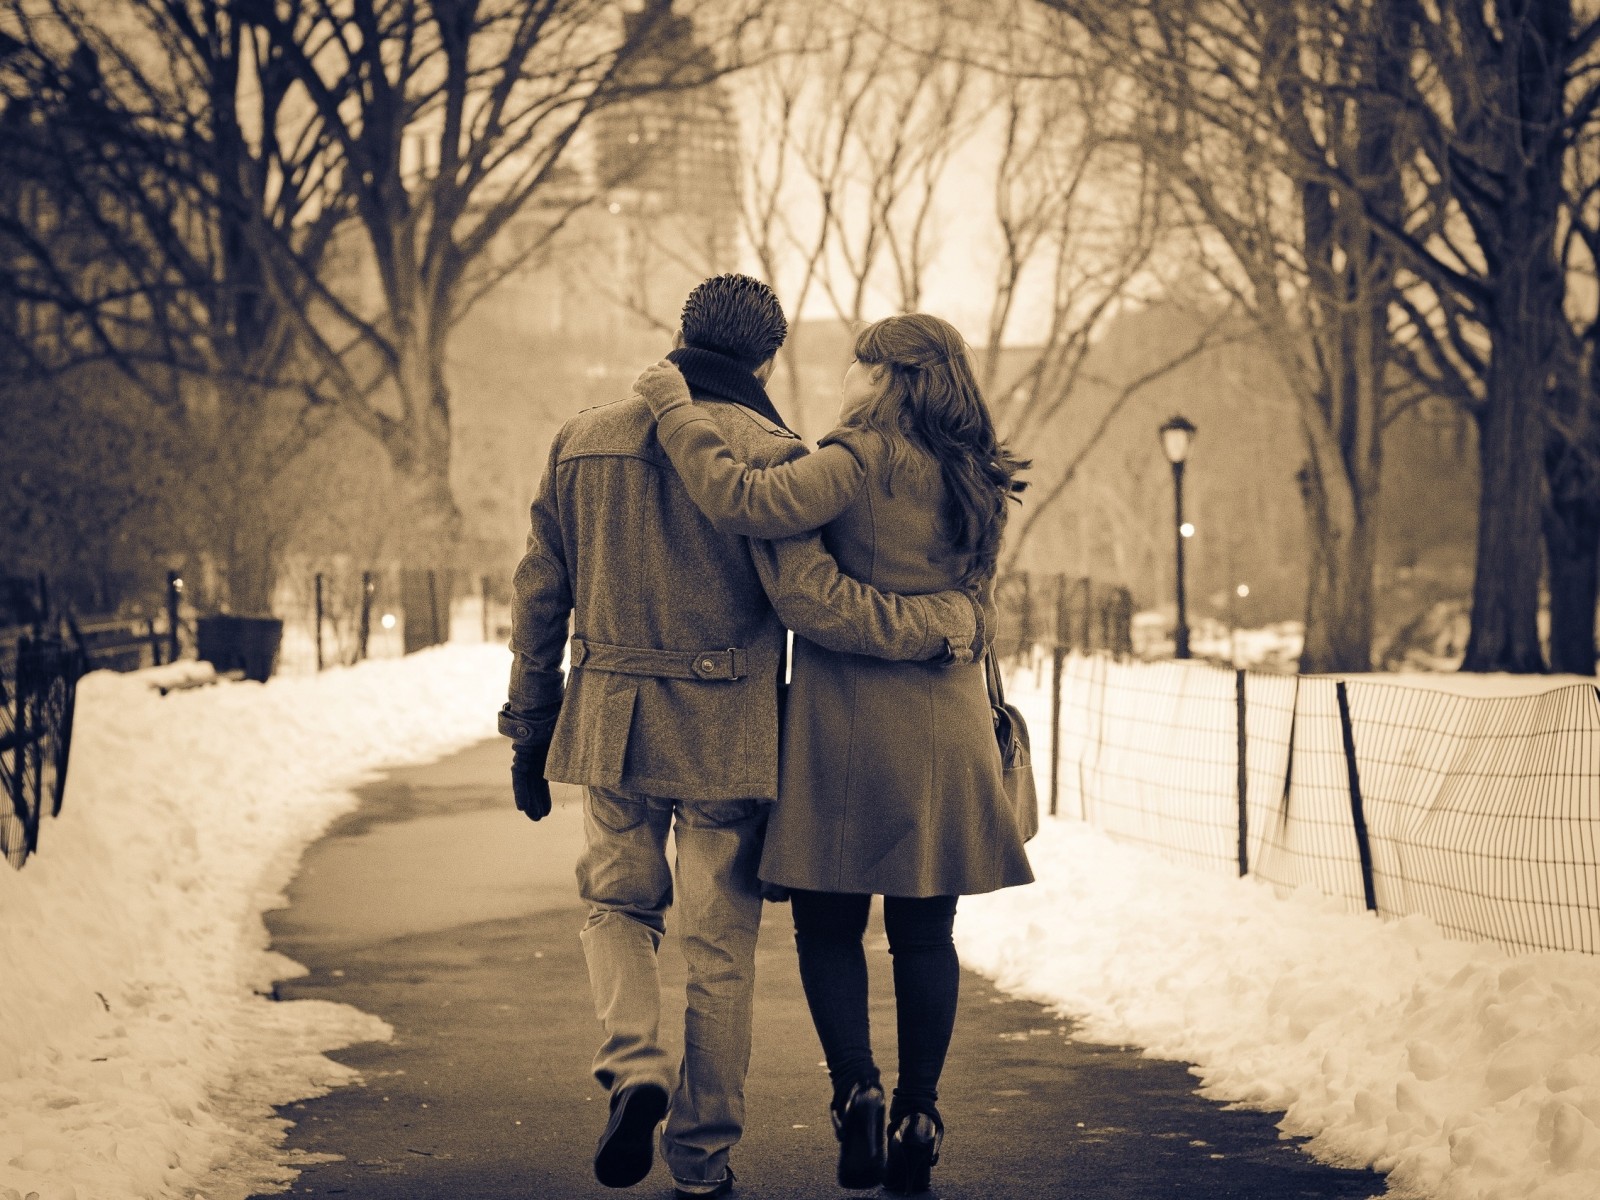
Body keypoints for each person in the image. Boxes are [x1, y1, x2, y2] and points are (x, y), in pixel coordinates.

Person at [500, 276, 985, 1200]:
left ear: (682, 332)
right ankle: (701, 1159)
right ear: (765, 361)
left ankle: (635, 1067)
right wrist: (950, 621)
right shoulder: (776, 454)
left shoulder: (582, 439)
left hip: (610, 721)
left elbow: (539, 593)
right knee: (720, 954)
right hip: (727, 732)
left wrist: (530, 725)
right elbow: (809, 601)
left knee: (616, 907)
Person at [632, 311, 1035, 1195]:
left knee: (828, 927)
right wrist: (950, 623)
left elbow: (740, 499)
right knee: (926, 932)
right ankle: (920, 1112)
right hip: (948, 727)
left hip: (846, 729)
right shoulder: (975, 467)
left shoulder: (855, 459)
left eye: (859, 362)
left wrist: (674, 409)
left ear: (887, 375)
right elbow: (974, 599)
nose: (848, 375)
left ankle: (857, 1089)